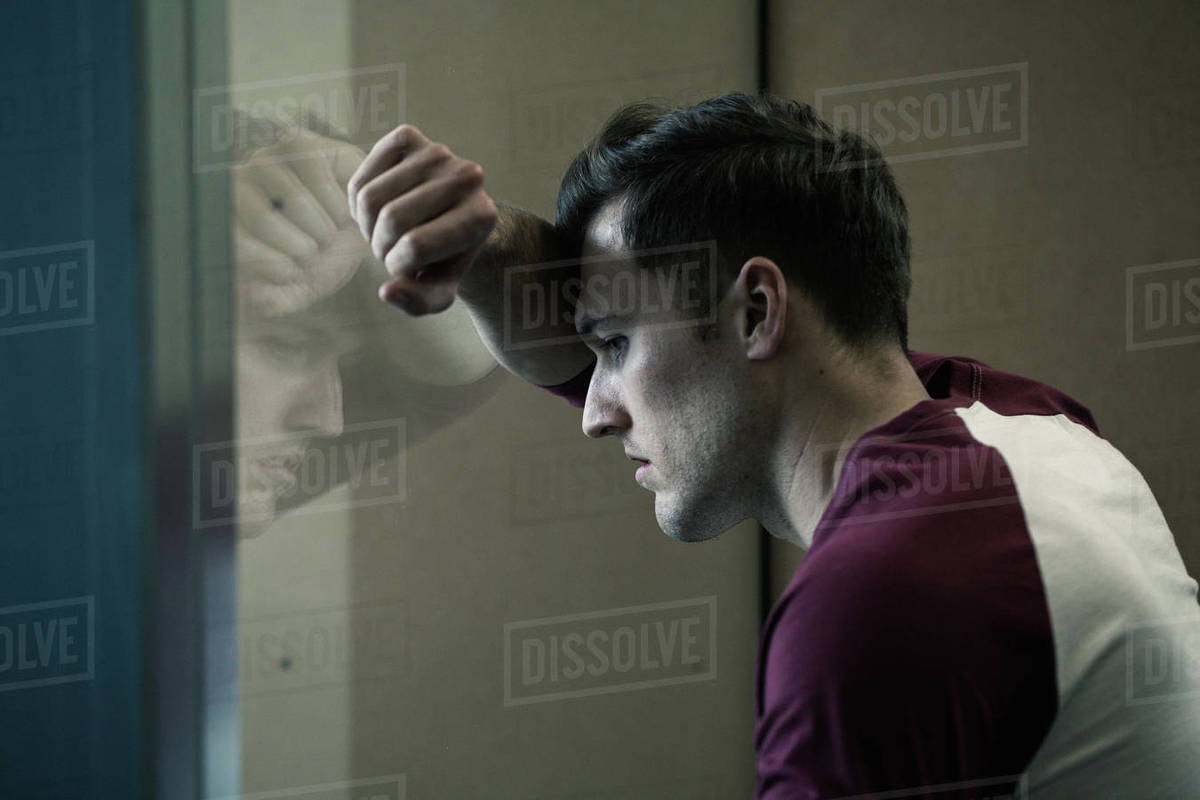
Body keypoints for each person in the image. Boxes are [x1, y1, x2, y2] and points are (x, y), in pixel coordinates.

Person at [346, 92, 1200, 798]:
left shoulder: (886, 596)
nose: (594, 410)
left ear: (756, 311)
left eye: (613, 346)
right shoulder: (1028, 430)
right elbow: (643, 346)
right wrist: (487, 243)